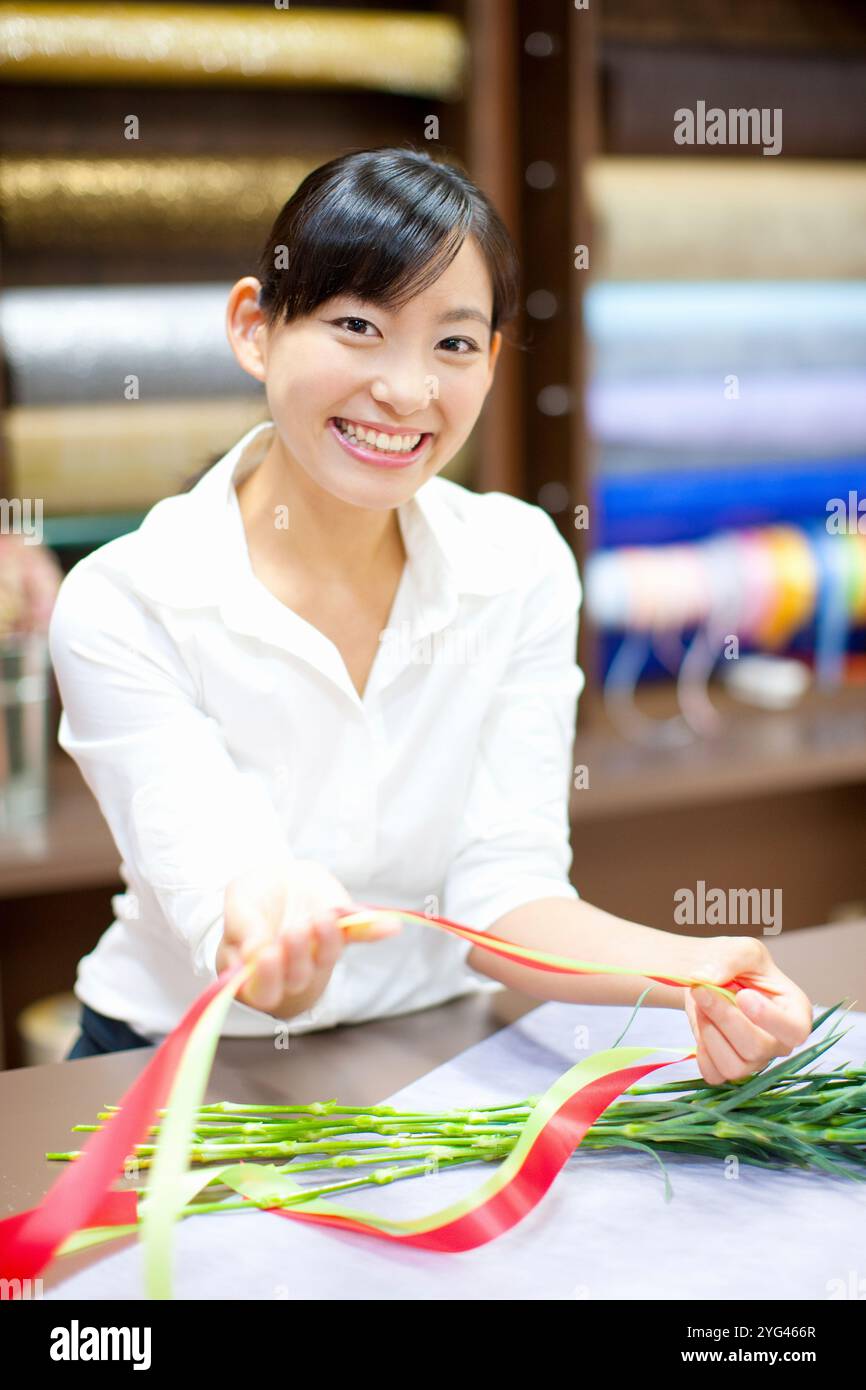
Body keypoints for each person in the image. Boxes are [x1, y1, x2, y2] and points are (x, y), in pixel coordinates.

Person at [52, 146, 811, 1081]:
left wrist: (699, 973)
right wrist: (268, 935)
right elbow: (225, 896)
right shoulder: (125, 600)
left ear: (491, 362)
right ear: (255, 328)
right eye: (359, 326)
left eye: (453, 343)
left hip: (436, 1061)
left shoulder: (522, 561)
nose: (408, 392)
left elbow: (505, 895)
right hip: (176, 1068)